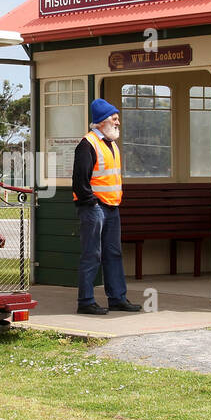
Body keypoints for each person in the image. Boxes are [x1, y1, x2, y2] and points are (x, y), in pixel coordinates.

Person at [72, 98, 142, 315]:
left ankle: (117, 298)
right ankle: (85, 301)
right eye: (114, 118)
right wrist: (91, 202)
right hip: (94, 208)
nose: (118, 122)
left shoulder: (112, 144)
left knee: (113, 253)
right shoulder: (87, 144)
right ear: (102, 121)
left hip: (112, 207)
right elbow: (80, 181)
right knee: (92, 254)